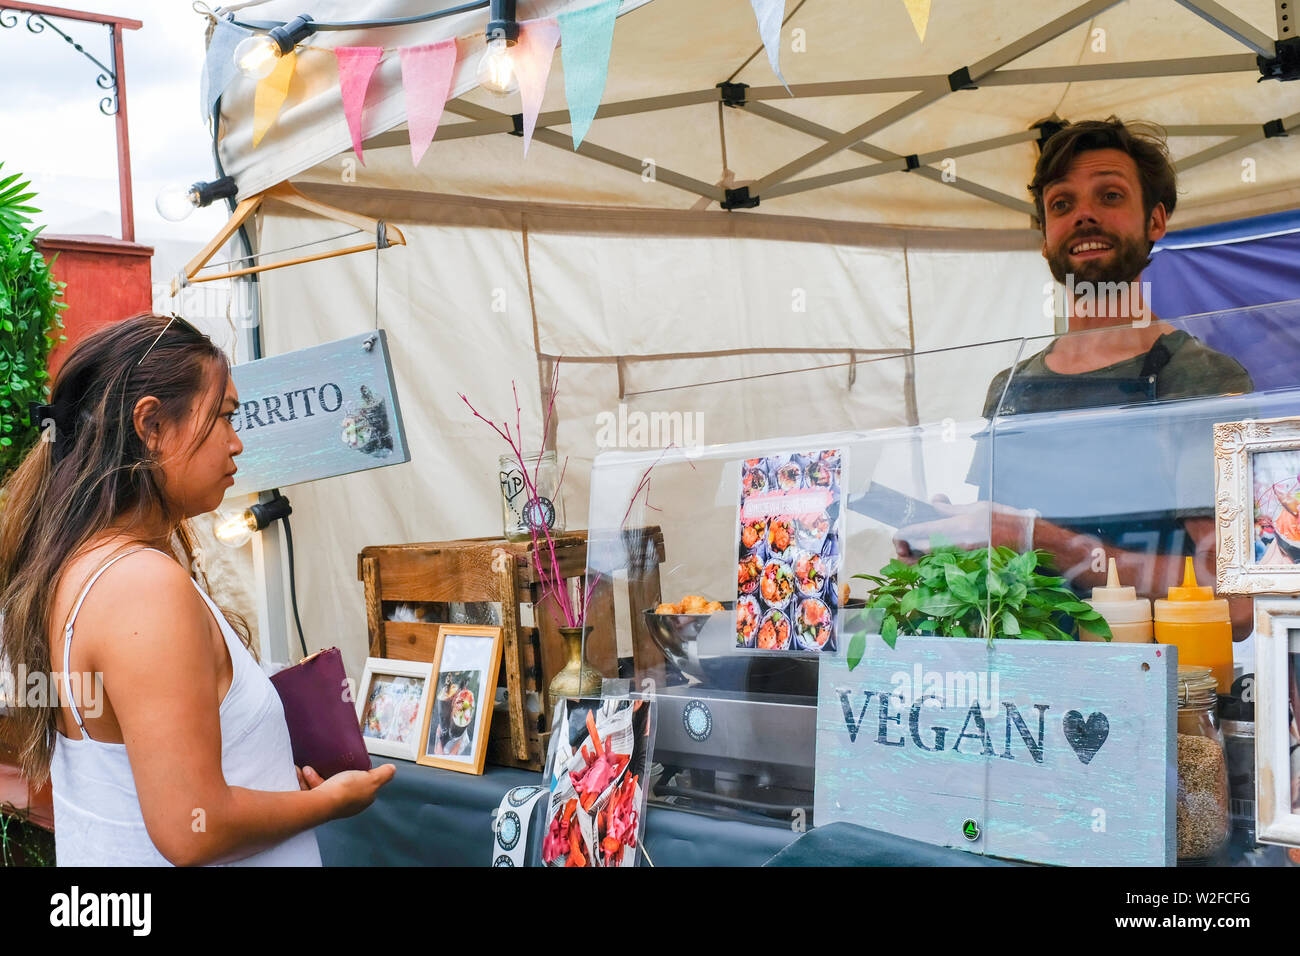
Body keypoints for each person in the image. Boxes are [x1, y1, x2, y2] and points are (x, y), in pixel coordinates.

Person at [0, 313, 394, 866]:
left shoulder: (82, 566)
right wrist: (329, 802)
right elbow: (191, 828)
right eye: (224, 417)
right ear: (151, 425)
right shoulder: (141, 586)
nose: (236, 444)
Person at [895, 117, 1255, 636]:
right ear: (1044, 238)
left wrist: (1035, 538)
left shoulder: (1199, 378)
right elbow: (994, 568)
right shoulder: (1009, 388)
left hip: (1157, 701)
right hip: (1020, 700)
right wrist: (947, 550)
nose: (1083, 215)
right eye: (1061, 204)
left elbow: (1234, 600)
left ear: (1155, 221)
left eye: (1109, 196)